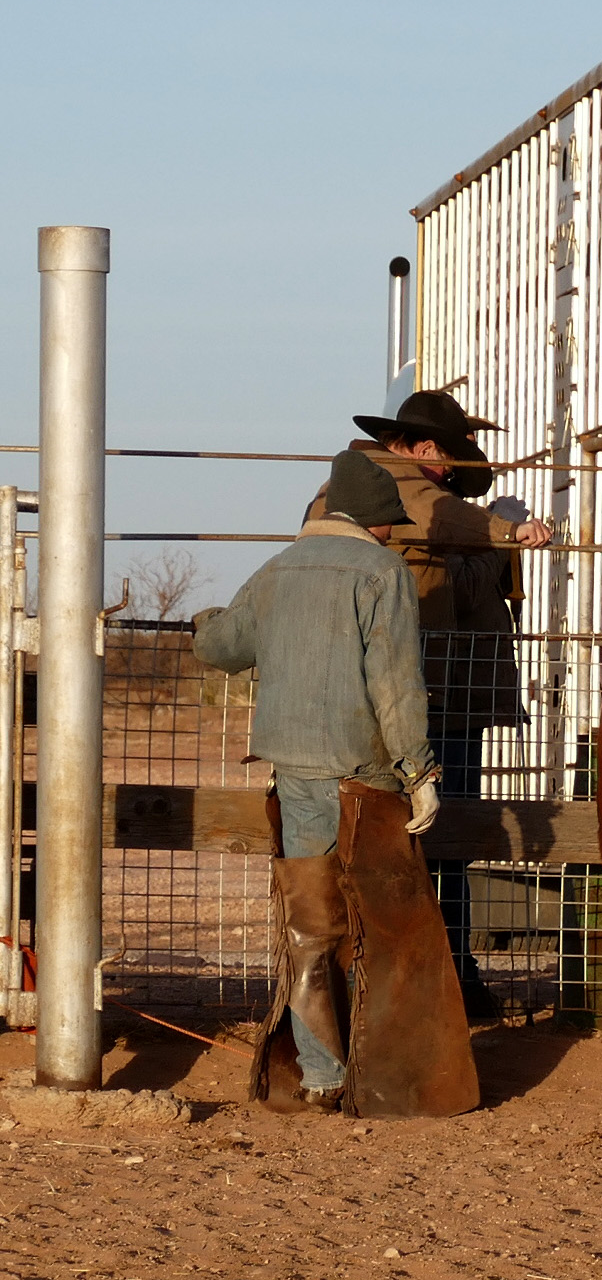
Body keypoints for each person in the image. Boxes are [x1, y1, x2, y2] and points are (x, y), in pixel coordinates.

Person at [193, 451, 477, 1116]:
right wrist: (420, 769)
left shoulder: (278, 568)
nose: (390, 533)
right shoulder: (382, 572)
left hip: (295, 770)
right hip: (366, 773)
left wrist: (203, 620)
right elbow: (396, 682)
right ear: (373, 521)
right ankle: (383, 1072)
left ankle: (321, 1073)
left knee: (311, 922)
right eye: (388, 523)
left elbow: (223, 647)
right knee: (383, 922)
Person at [305, 392, 552, 1017]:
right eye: (448, 459)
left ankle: (422, 975)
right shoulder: (395, 483)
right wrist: (506, 531)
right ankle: (441, 978)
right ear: (418, 448)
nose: (452, 477)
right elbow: (440, 520)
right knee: (435, 836)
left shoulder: (383, 492)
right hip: (425, 697)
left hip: (426, 693)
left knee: (420, 837)